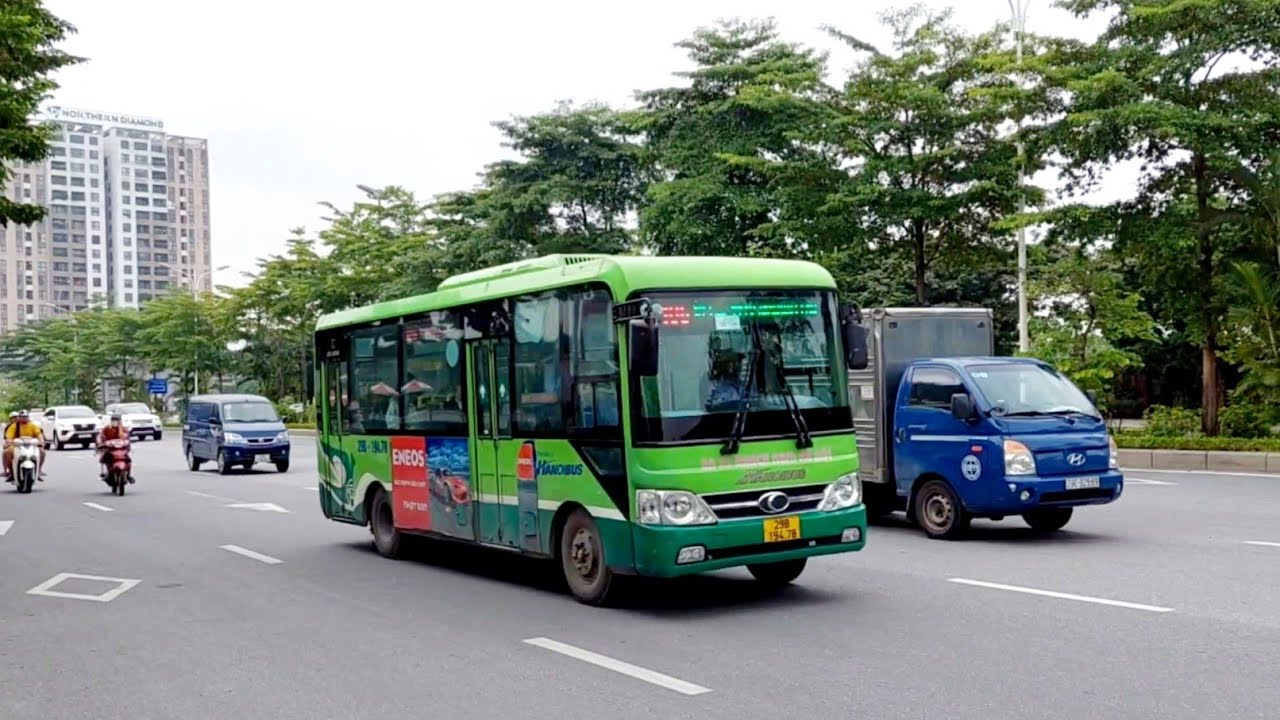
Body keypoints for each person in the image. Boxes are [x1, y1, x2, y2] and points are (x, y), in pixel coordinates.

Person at [4, 410, 46, 481]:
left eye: (26, 417)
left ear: (28, 417)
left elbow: (39, 434)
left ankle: (38, 471)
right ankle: (12, 472)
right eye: (22, 417)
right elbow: (9, 436)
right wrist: (9, 441)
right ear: (19, 417)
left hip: (31, 445)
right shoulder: (14, 426)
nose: (24, 418)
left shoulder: (33, 425)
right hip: (16, 446)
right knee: (7, 452)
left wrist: (41, 441)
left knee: (42, 451)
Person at [97, 413, 134, 483]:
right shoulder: (107, 428)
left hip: (121, 450)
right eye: (113, 420)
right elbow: (100, 436)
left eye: (117, 420)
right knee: (104, 457)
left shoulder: (124, 429)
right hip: (110, 449)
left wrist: (127, 443)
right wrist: (100, 443)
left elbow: (128, 438)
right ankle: (105, 472)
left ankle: (128, 475)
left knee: (128, 460)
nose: (115, 422)